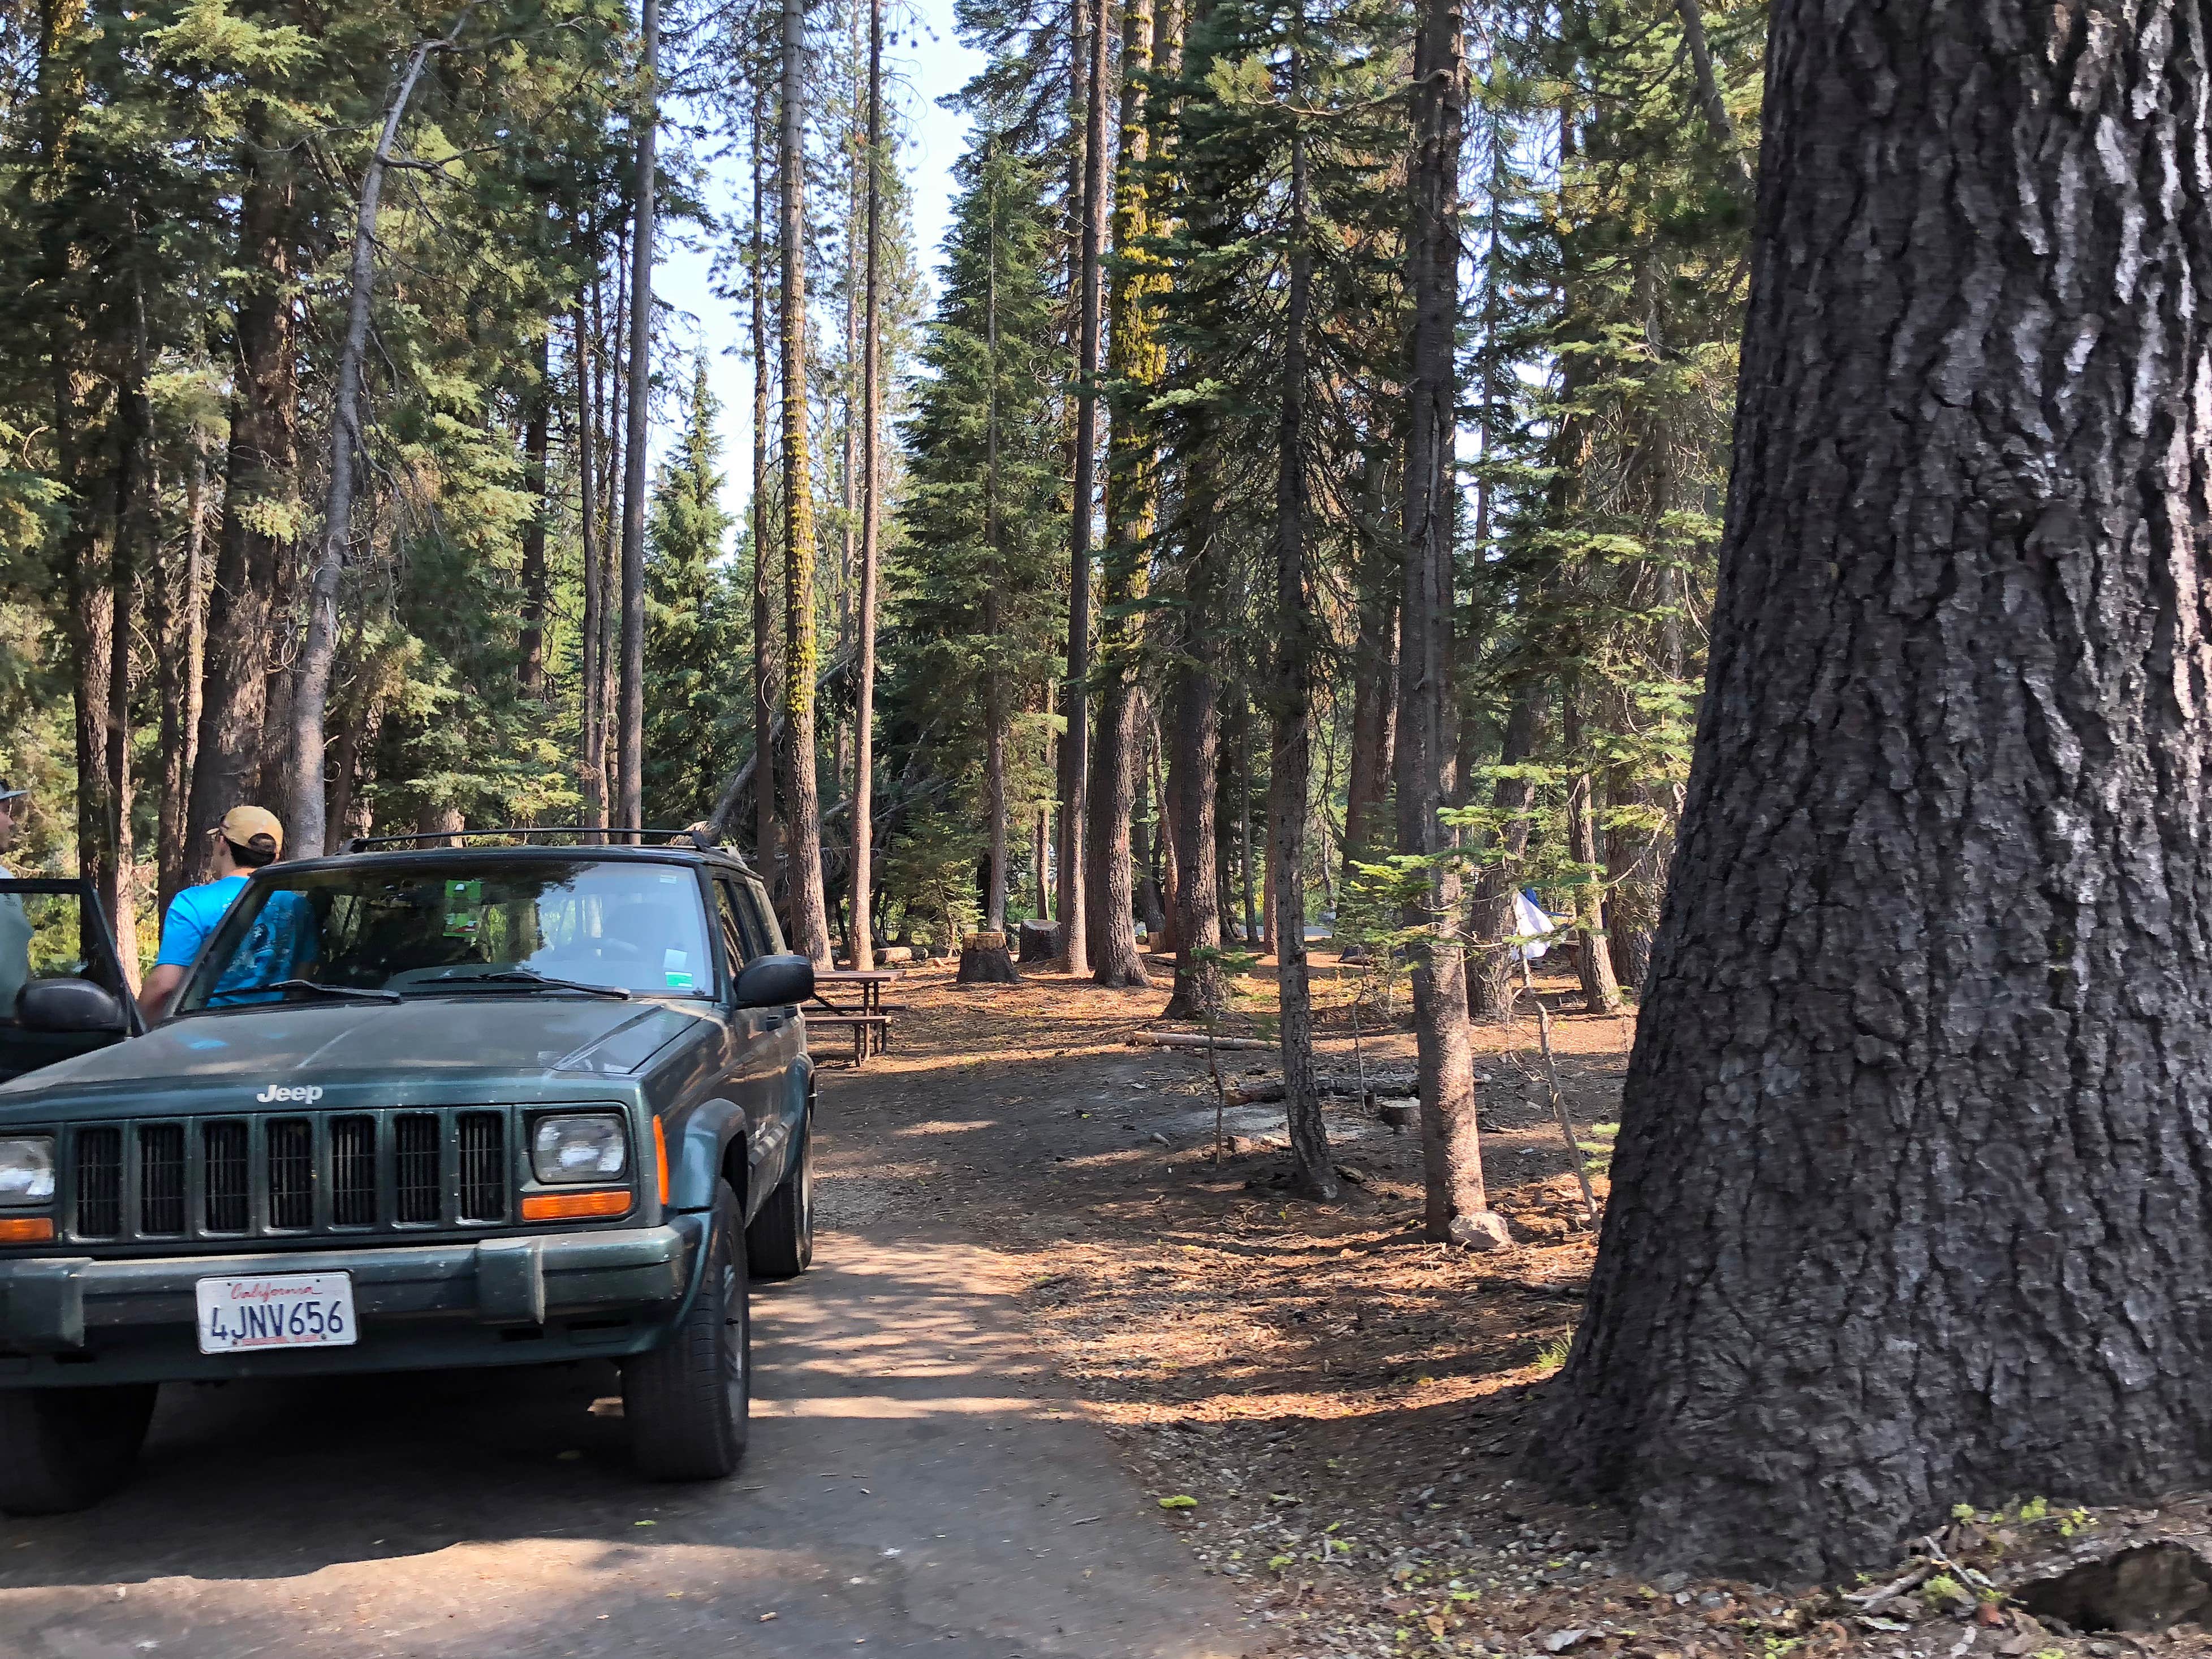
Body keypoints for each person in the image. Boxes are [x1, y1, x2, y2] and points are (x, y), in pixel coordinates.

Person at [139, 807, 316, 1020]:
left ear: (222, 842)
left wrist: (137, 1027)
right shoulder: (299, 906)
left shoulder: (193, 903)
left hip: (205, 1036)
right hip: (275, 1033)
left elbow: (164, 984)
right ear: (275, 855)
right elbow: (302, 978)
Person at [0, 779, 32, 1016]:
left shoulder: (7, 879)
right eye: (3, 811)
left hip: (15, 1036)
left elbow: (19, 960)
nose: (11, 823)